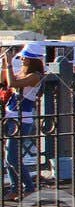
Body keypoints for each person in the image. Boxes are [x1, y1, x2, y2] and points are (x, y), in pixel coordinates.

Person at [2, 42, 44, 196]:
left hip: (22, 120)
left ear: (32, 60)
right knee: (9, 157)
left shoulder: (35, 76)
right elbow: (5, 82)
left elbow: (13, 83)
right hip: (10, 115)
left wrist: (10, 65)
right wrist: (6, 63)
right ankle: (16, 189)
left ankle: (28, 188)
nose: (22, 59)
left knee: (12, 157)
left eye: (24, 57)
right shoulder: (22, 71)